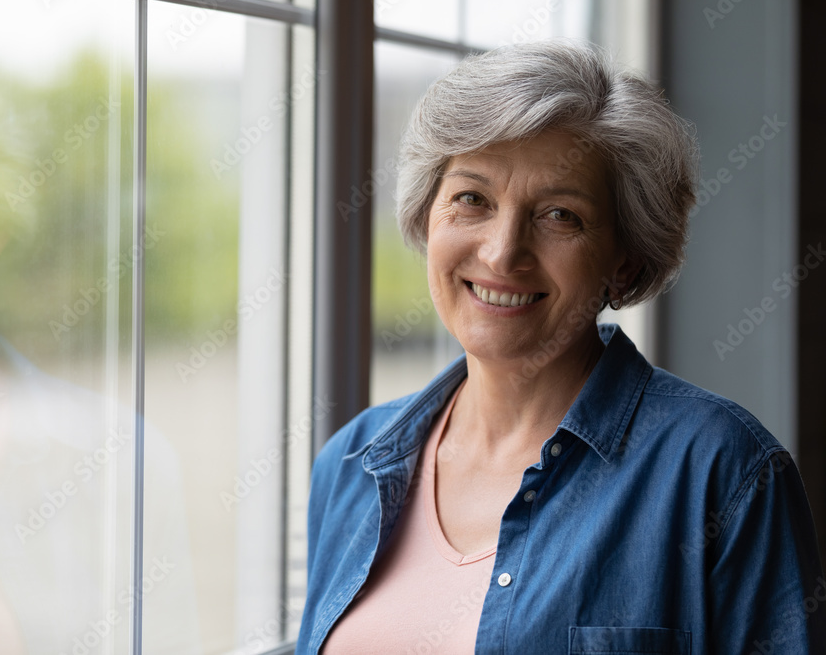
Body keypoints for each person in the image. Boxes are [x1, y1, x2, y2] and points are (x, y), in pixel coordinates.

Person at [296, 40, 826, 654]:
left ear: (623, 264)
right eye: (472, 199)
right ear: (427, 215)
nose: (501, 253)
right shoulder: (349, 464)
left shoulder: (724, 471)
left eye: (559, 216)